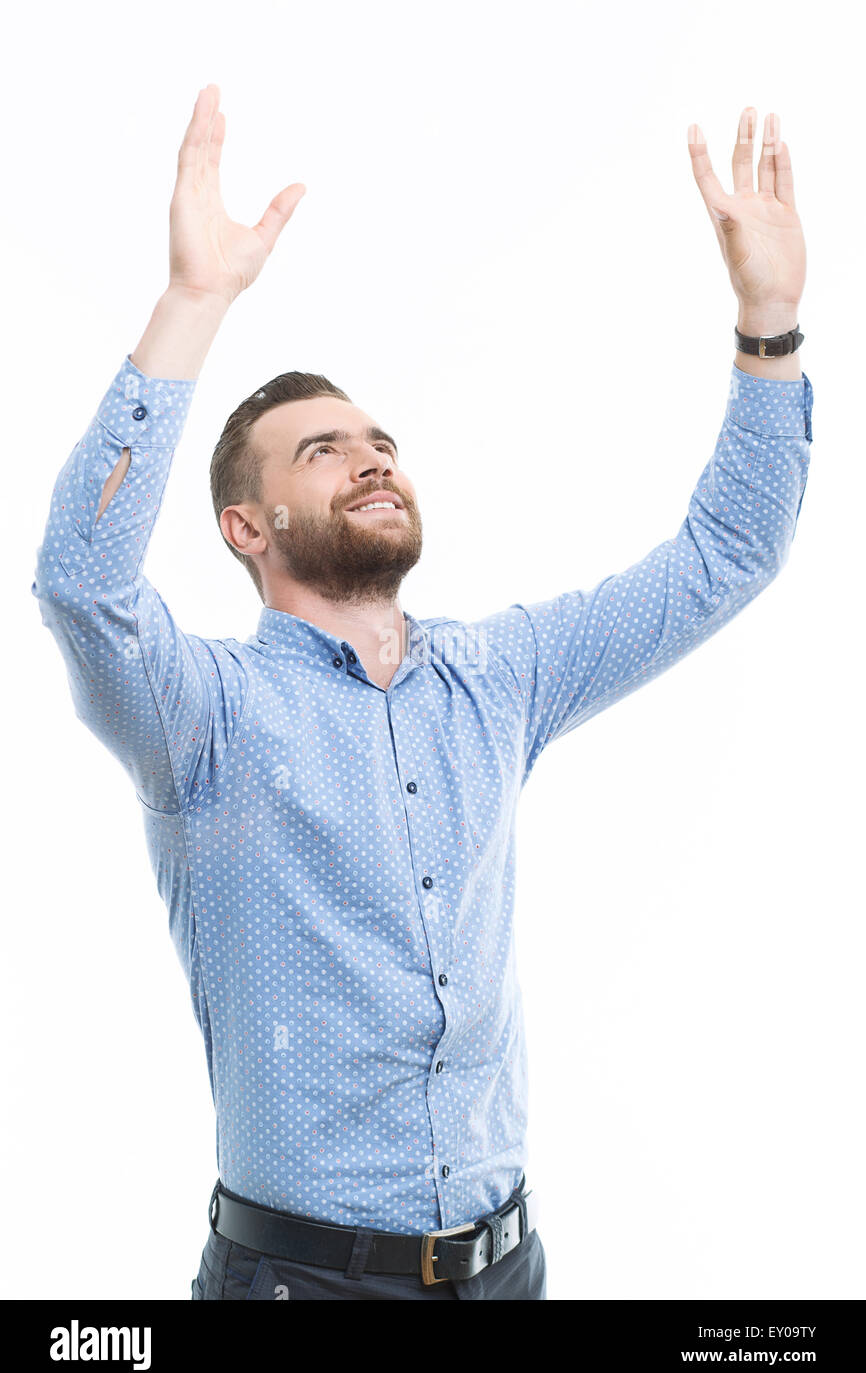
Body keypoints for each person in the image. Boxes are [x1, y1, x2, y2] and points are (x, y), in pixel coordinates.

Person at [32, 88, 811, 1300]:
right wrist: (193, 305)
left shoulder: (502, 677)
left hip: (509, 1267)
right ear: (248, 525)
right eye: (322, 450)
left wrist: (767, 320)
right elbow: (81, 583)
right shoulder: (207, 718)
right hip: (300, 1284)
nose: (371, 455)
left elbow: (727, 555)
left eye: (378, 438)